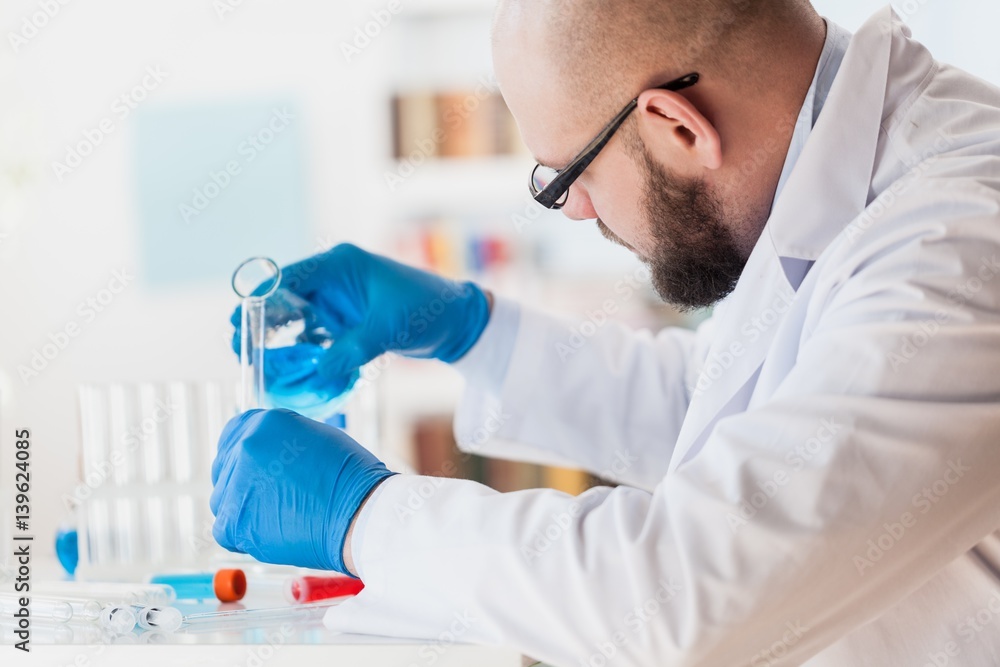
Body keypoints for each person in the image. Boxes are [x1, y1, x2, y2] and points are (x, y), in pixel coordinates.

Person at [210, 1, 1000, 664]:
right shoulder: (856, 179)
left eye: (566, 179)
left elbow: (684, 594)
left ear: (679, 127)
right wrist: (469, 331)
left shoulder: (956, 244)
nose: (578, 210)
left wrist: (364, 514)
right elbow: (755, 414)